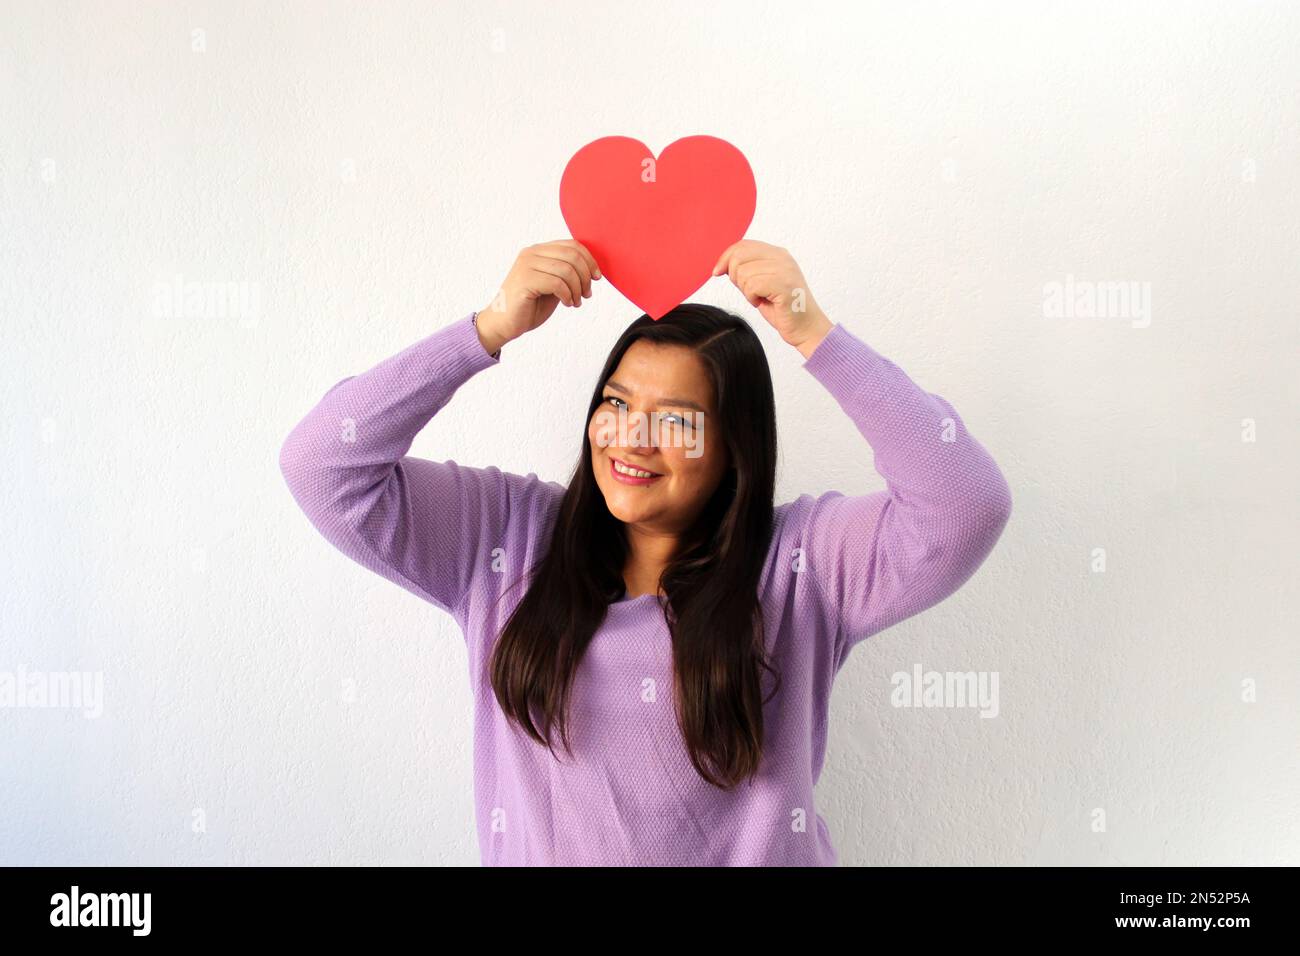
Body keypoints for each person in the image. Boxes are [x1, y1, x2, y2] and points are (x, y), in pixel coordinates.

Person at [278, 238, 1013, 865]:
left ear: (735, 450)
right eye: (618, 403)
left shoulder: (801, 566)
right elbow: (321, 463)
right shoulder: (502, 537)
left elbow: (965, 504)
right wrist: (488, 328)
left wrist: (812, 331)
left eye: (677, 421)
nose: (632, 437)